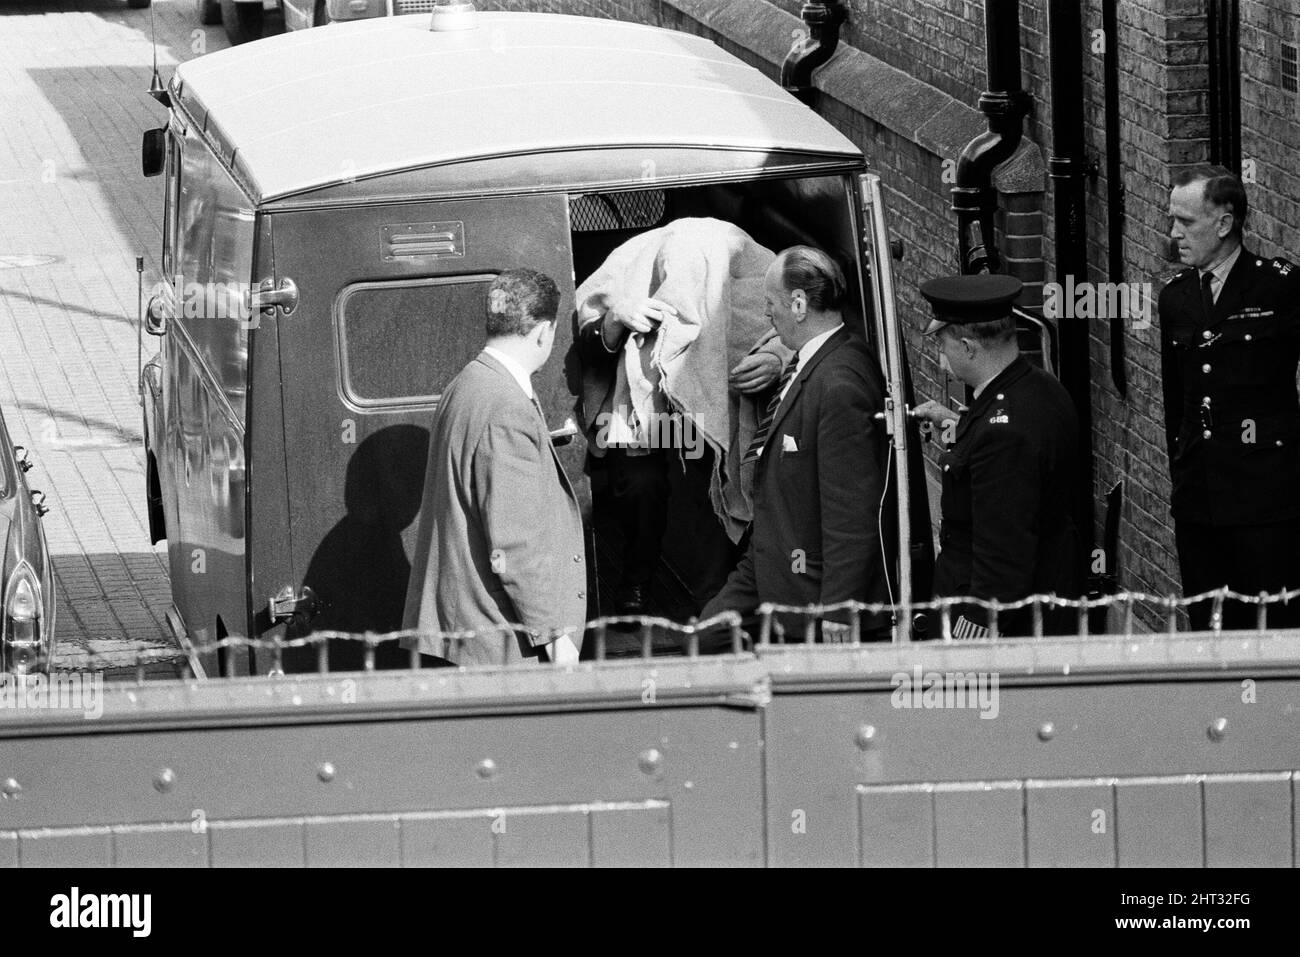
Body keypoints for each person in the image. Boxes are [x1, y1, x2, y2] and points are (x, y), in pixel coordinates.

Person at [699, 245, 892, 645]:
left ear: (799, 304)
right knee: (708, 638)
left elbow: (852, 508)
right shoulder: (816, 362)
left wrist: (840, 605)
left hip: (810, 586)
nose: (767, 314)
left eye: (771, 304)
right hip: (771, 561)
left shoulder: (840, 383)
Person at [401, 269, 586, 666]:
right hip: (500, 643)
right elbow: (514, 542)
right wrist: (556, 639)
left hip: (472, 634)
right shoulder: (505, 406)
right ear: (544, 332)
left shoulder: (467, 384)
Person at [1159, 164, 1300, 630]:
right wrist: (1180, 470)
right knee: (1209, 629)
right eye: (1172, 220)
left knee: (1271, 629)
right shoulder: (1176, 297)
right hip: (1200, 500)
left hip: (1266, 501)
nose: (1174, 233)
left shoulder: (1280, 287)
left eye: (1186, 222)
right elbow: (1176, 401)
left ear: (1224, 223)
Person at [912, 274, 1079, 639]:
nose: (940, 354)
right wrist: (959, 426)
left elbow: (1002, 554)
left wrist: (969, 635)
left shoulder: (1001, 432)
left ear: (969, 347)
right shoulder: (1041, 389)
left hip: (998, 621)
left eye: (942, 343)